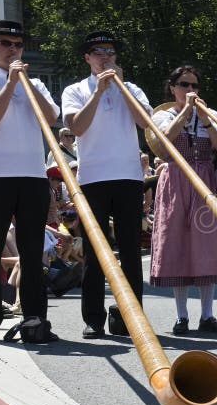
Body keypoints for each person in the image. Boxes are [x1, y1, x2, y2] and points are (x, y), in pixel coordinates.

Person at [0, 20, 60, 345]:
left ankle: (35, 319)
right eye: (5, 44)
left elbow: (51, 118)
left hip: (32, 176)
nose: (12, 50)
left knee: (33, 252)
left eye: (17, 45)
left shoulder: (36, 85)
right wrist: (10, 84)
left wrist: (26, 83)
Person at [62, 30, 151, 339]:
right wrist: (98, 92)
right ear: (87, 58)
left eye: (110, 52)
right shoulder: (75, 90)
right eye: (98, 52)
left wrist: (122, 89)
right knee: (94, 251)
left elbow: (146, 123)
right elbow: (76, 127)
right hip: (92, 179)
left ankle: (133, 317)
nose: (106, 57)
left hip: (128, 177)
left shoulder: (132, 89)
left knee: (130, 250)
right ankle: (93, 319)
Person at [150, 65, 217, 334]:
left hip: (206, 180)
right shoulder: (163, 115)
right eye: (184, 85)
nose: (190, 90)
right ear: (172, 88)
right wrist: (186, 110)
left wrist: (205, 119)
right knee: (178, 244)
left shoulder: (212, 114)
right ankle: (181, 315)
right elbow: (164, 142)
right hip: (175, 180)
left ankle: (207, 315)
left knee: (206, 244)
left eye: (194, 85)